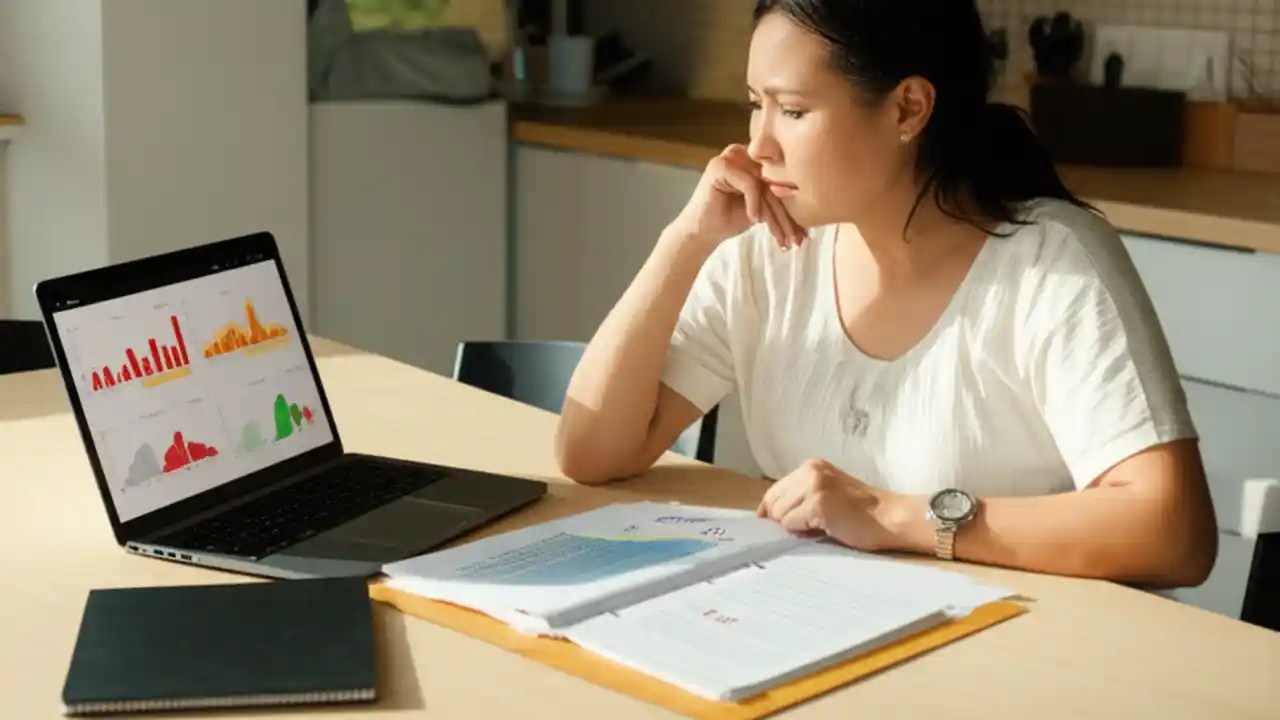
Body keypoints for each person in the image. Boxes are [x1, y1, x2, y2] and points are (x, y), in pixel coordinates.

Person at [554, 0, 1217, 588]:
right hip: (821, 629)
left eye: (792, 110)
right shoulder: (771, 252)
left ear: (908, 108)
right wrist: (685, 238)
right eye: (755, 104)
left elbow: (1174, 533)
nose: (758, 145)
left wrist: (896, 516)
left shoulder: (1052, 264)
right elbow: (592, 453)